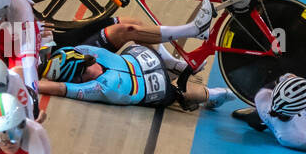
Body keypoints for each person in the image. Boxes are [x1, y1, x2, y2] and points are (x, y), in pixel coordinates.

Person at [37, 44, 232, 110]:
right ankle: (172, 65)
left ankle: (214, 94)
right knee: (136, 38)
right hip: (142, 56)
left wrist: (23, 83)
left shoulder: (101, 88)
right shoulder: (88, 52)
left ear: (78, 78)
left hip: (153, 89)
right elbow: (69, 50)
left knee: (180, 93)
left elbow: (61, 89)